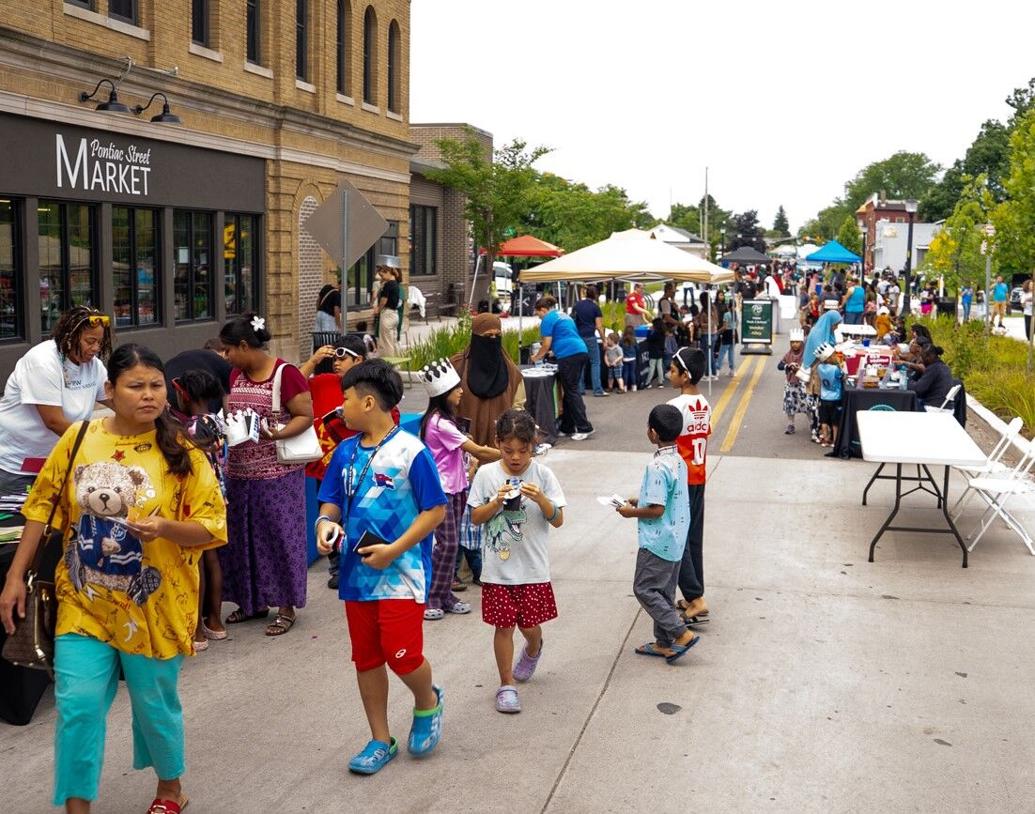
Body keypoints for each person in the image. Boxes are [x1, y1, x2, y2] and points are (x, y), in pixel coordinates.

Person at [0, 343, 226, 814]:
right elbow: (41, 507)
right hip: (83, 601)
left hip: (157, 605)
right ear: (109, 390)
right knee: (77, 706)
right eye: (135, 386)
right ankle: (76, 806)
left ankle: (170, 789)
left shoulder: (184, 453)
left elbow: (212, 526)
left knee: (153, 704)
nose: (148, 396)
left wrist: (165, 527)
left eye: (156, 386)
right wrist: (14, 577)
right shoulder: (80, 438)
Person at [315, 359, 447, 773]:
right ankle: (379, 738)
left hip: (402, 573)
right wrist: (324, 523)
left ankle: (427, 701)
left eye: (347, 400)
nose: (341, 409)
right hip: (357, 575)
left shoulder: (412, 452)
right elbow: (332, 500)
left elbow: (435, 511)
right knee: (367, 658)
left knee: (402, 654)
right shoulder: (344, 452)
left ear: (369, 402)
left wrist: (394, 550)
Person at [218, 314, 314, 636]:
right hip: (240, 472)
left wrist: (278, 434)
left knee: (278, 538)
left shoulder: (285, 375)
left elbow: (305, 415)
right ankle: (252, 602)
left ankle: (285, 605)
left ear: (245, 346)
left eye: (229, 349)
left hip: (276, 475)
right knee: (242, 539)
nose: (226, 356)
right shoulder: (236, 374)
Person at [468, 410, 565, 714]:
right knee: (503, 627)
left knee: (530, 625)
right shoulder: (486, 475)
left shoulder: (543, 476)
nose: (516, 458)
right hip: (498, 570)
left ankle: (534, 648)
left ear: (533, 447)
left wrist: (542, 500)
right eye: (508, 450)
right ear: (497, 444)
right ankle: (506, 684)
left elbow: (559, 519)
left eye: (523, 451)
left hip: (533, 569)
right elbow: (475, 517)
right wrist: (495, 502)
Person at [300, 335, 392, 590]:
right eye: (334, 358)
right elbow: (294, 384)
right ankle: (337, 566)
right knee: (329, 512)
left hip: (362, 467)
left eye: (343, 357)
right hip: (326, 467)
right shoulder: (324, 382)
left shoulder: (372, 390)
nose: (336, 363)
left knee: (359, 513)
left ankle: (364, 557)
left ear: (358, 360)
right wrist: (314, 360)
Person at [417, 358, 500, 620]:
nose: (461, 391)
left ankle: (444, 595)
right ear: (443, 394)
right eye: (456, 389)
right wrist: (509, 455)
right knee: (447, 544)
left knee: (449, 545)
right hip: (442, 492)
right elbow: (476, 450)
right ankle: (433, 596)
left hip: (455, 487)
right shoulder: (439, 424)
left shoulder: (444, 420)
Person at [0, 305, 113, 495]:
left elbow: (117, 402)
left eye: (100, 343)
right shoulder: (42, 361)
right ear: (70, 336)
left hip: (59, 461)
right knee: (24, 524)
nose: (96, 348)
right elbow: (53, 421)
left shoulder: (94, 366)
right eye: (90, 341)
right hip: (18, 467)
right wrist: (99, 443)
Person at [617, 404, 700, 663]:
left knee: (643, 588)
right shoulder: (678, 460)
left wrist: (631, 512)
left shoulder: (656, 467)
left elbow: (657, 509)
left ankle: (679, 633)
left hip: (658, 541)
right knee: (664, 591)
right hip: (676, 538)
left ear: (652, 433)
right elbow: (668, 496)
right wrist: (638, 498)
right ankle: (663, 643)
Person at [167, 368, 229, 652]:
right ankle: (216, 621)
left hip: (197, 497)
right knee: (212, 558)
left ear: (185, 396)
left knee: (198, 561)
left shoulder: (190, 428)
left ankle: (197, 629)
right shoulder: (215, 421)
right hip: (219, 495)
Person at [666, 347, 711, 625]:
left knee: (676, 539)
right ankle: (695, 593)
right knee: (694, 538)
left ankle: (695, 598)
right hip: (699, 478)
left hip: (679, 481)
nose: (669, 374)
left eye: (672, 370)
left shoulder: (674, 407)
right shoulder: (705, 403)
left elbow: (665, 440)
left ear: (685, 376)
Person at [450, 313, 525, 448]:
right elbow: (445, 405)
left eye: (498, 335)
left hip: (499, 448)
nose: (493, 339)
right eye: (488, 336)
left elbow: (518, 407)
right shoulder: (458, 366)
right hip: (465, 446)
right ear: (475, 337)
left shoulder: (512, 372)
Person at [530, 296, 593, 442]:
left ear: (543, 310)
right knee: (570, 391)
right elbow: (566, 336)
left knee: (572, 391)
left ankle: (584, 427)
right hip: (579, 351)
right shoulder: (563, 315)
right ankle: (567, 426)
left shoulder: (548, 319)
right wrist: (554, 351)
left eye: (538, 313)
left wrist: (537, 357)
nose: (539, 317)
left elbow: (546, 344)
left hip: (569, 355)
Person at [163, 338, 231, 414]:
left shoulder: (186, 356)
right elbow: (228, 407)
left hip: (165, 397)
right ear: (224, 352)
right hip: (193, 404)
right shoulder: (221, 363)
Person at [572, 285, 607, 397]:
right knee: (595, 363)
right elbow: (599, 326)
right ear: (596, 295)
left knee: (581, 363)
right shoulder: (595, 308)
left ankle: (580, 388)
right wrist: (604, 340)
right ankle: (597, 389)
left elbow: (572, 321)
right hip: (590, 337)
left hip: (578, 337)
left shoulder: (577, 305)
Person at [778, 329, 809, 434]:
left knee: (807, 404)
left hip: (803, 383)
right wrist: (788, 365)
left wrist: (801, 367)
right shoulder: (788, 355)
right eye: (792, 342)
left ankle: (812, 424)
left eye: (797, 342)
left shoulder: (806, 355)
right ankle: (790, 424)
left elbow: (810, 365)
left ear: (802, 343)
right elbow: (780, 365)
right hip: (790, 383)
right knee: (790, 404)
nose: (795, 344)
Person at [908, 342, 954, 410]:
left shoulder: (934, 369)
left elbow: (918, 389)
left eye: (923, 357)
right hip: (945, 407)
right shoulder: (944, 367)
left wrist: (907, 381)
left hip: (934, 408)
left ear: (929, 357)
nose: (922, 361)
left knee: (906, 404)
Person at [816, 344, 844, 448]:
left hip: (824, 397)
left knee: (824, 420)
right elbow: (841, 376)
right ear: (828, 358)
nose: (835, 356)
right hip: (835, 398)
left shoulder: (819, 367)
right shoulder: (835, 369)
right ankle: (835, 441)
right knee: (834, 422)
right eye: (833, 355)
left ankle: (826, 439)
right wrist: (839, 365)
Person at [374, 257, 402, 357]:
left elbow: (384, 300)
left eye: (382, 274)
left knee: (386, 342)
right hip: (395, 315)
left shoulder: (388, 284)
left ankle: (389, 364)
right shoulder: (396, 284)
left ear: (388, 272)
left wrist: (378, 309)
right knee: (393, 340)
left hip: (387, 314)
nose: (381, 276)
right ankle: (398, 362)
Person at [694, 291, 719, 380]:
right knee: (710, 354)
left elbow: (712, 323)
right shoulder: (711, 308)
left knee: (706, 354)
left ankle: (708, 373)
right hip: (712, 334)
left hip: (707, 334)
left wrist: (700, 324)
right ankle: (713, 372)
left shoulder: (709, 310)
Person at [644, 317, 667, 388]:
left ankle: (648, 382)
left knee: (652, 367)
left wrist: (649, 331)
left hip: (654, 352)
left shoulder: (655, 333)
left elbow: (649, 339)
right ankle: (660, 382)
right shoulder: (662, 332)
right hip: (660, 351)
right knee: (659, 367)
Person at [716, 301, 736, 376]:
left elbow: (725, 327)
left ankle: (717, 369)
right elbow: (736, 324)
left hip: (727, 333)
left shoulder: (726, 314)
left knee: (722, 351)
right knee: (731, 352)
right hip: (734, 333)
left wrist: (717, 332)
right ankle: (732, 370)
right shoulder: (736, 315)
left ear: (728, 306)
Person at [621, 326, 639, 393]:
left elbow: (620, 347)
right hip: (633, 358)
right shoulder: (633, 339)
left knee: (625, 373)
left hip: (625, 358)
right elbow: (637, 348)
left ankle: (625, 387)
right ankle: (634, 386)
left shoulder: (622, 340)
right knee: (632, 373)